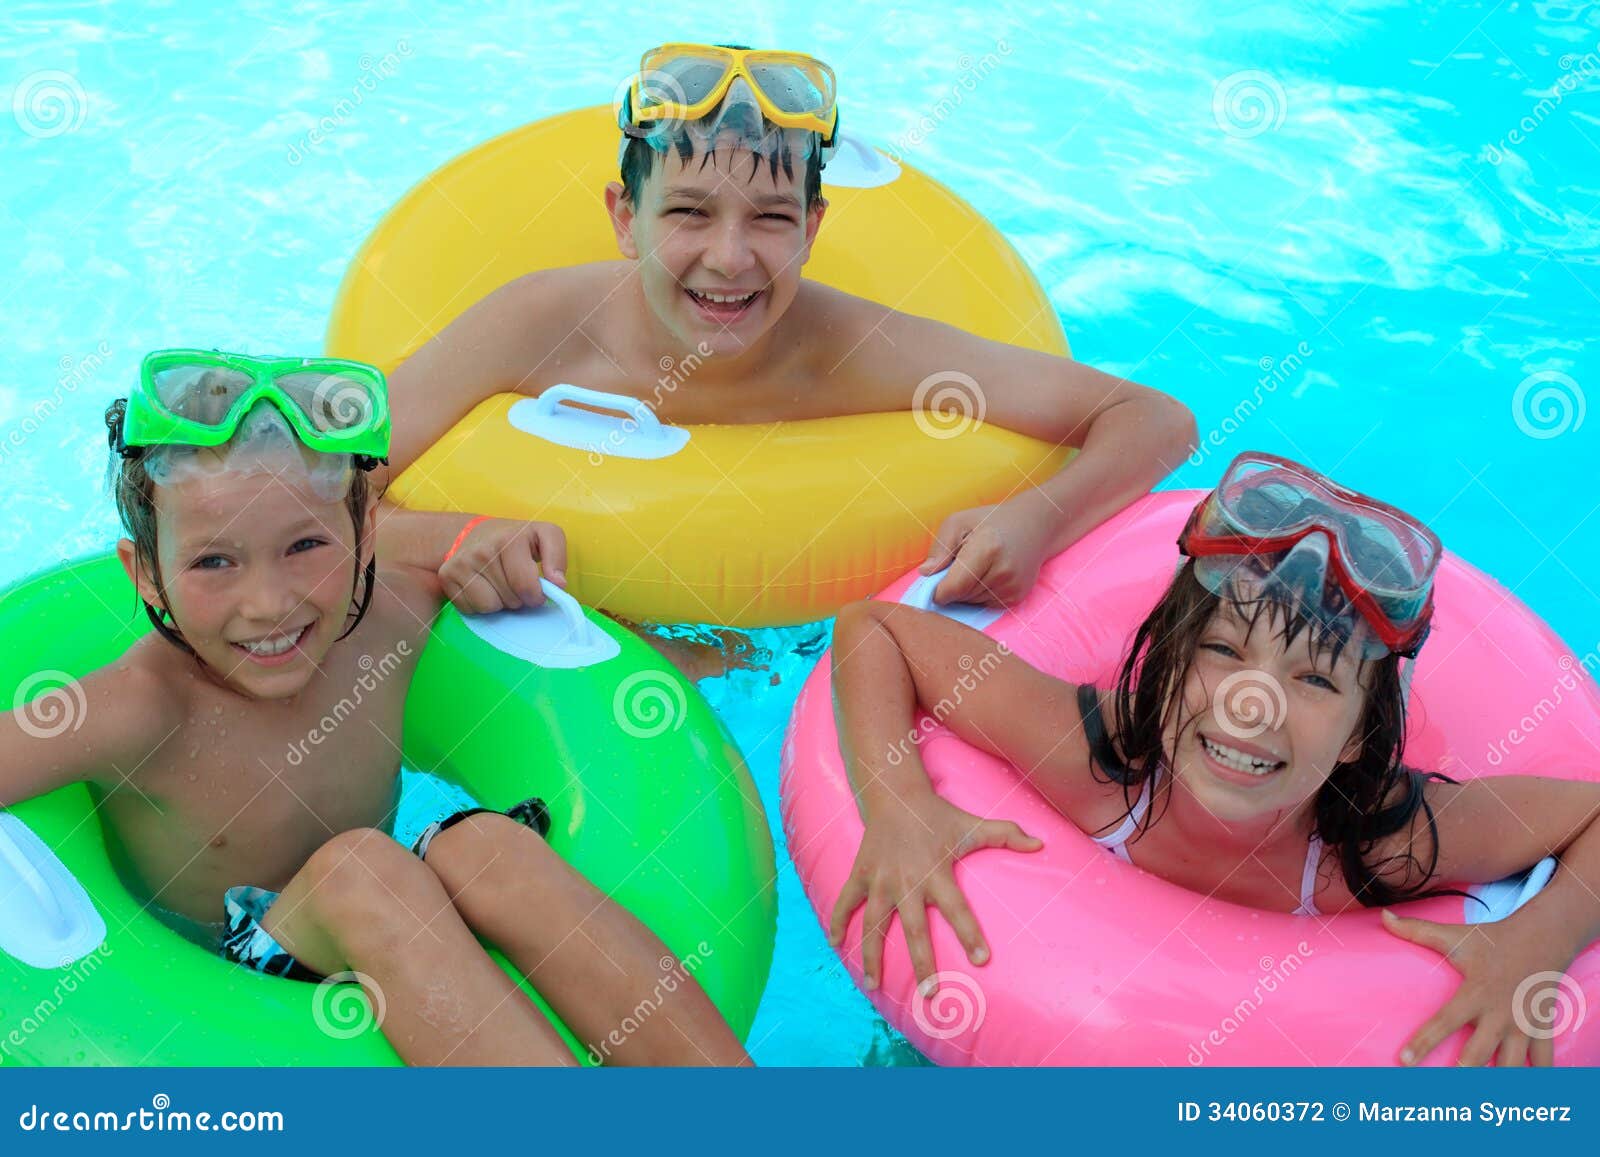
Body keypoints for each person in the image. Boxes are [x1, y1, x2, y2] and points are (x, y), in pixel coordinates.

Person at [0, 349, 746, 1066]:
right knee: (364, 869)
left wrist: (481, 542)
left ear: (364, 542)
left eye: (304, 546)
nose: (270, 603)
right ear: (148, 577)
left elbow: (563, 643)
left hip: (410, 927)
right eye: (214, 561)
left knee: (482, 844)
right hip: (241, 979)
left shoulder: (393, 616)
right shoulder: (141, 706)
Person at [376, 42, 1197, 629]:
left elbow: (1155, 418)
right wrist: (456, 537)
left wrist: (1037, 518)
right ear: (625, 220)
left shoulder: (854, 349)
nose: (729, 260)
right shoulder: (536, 326)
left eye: (771, 219)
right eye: (690, 213)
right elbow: (316, 494)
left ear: (814, 226)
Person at [828, 450, 1600, 1066]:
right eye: (1224, 651)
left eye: (1315, 679)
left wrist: (1541, 939)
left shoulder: (1379, 845)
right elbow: (876, 629)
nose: (1251, 704)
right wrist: (897, 805)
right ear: (1164, 669)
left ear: (1361, 736)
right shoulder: (1097, 764)